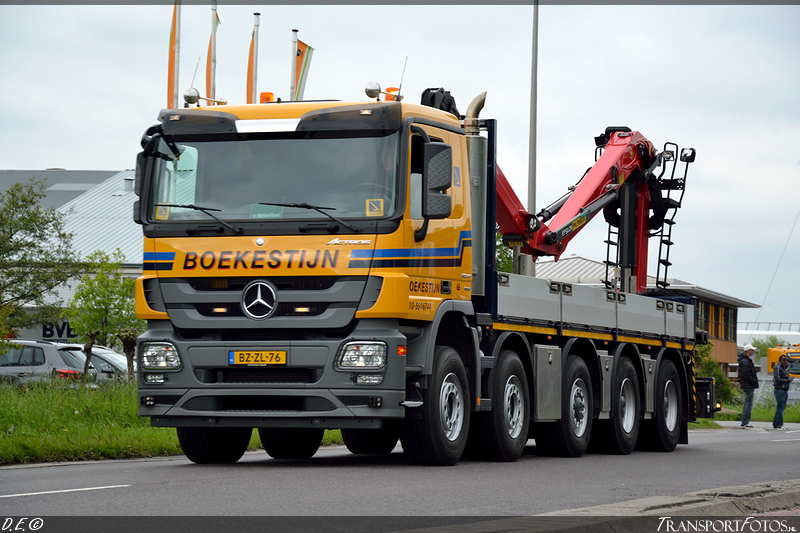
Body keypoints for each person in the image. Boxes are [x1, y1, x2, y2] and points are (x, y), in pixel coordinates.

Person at [737, 344, 759, 428]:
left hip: (746, 384)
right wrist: (754, 381)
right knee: (748, 403)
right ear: (748, 351)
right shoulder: (745, 361)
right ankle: (745, 421)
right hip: (748, 385)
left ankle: (745, 421)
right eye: (752, 350)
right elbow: (746, 374)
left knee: (747, 403)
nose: (753, 351)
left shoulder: (744, 360)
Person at [773, 354, 795, 430]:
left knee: (781, 407)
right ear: (780, 360)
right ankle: (779, 424)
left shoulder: (784, 368)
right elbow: (778, 379)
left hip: (784, 389)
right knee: (780, 407)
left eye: (786, 360)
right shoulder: (778, 367)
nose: (785, 361)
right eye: (784, 360)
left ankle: (777, 423)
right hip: (780, 389)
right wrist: (787, 380)